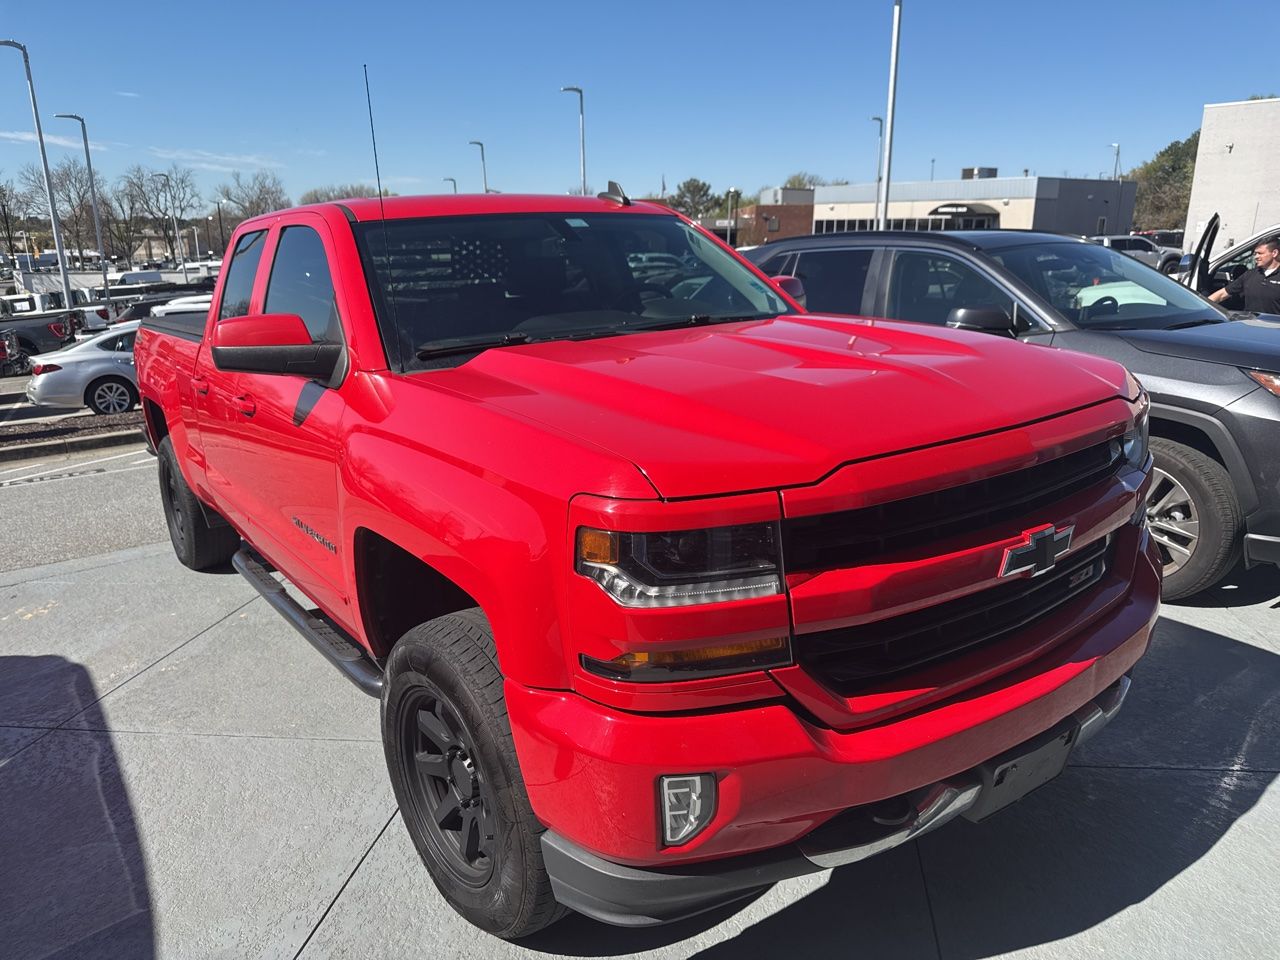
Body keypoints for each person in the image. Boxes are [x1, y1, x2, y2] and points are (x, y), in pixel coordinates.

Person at [1209, 235, 1280, 314]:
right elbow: (1222, 294)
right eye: (1255, 254)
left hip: (1274, 324)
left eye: (1260, 253)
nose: (1256, 257)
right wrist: (1200, 307)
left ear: (1274, 253)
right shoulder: (1250, 274)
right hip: (1249, 323)